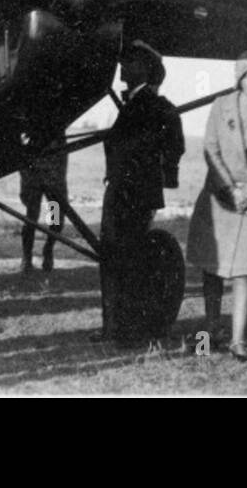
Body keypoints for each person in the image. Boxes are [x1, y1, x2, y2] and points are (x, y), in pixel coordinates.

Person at [186, 51, 247, 362]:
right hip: (219, 196)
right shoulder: (221, 106)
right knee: (211, 268)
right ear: (240, 80)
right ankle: (211, 331)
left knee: (244, 272)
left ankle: (238, 341)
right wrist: (229, 188)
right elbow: (210, 149)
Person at [98, 41, 185, 344]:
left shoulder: (150, 105)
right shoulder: (149, 105)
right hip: (131, 192)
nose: (122, 66)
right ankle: (116, 327)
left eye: (129, 62)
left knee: (121, 258)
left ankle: (121, 329)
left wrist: (159, 178)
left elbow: (173, 145)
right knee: (118, 256)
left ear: (145, 69)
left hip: (129, 194)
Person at [19, 147, 69, 274]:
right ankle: (27, 257)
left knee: (56, 215)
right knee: (32, 215)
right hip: (32, 164)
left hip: (54, 166)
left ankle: (48, 250)